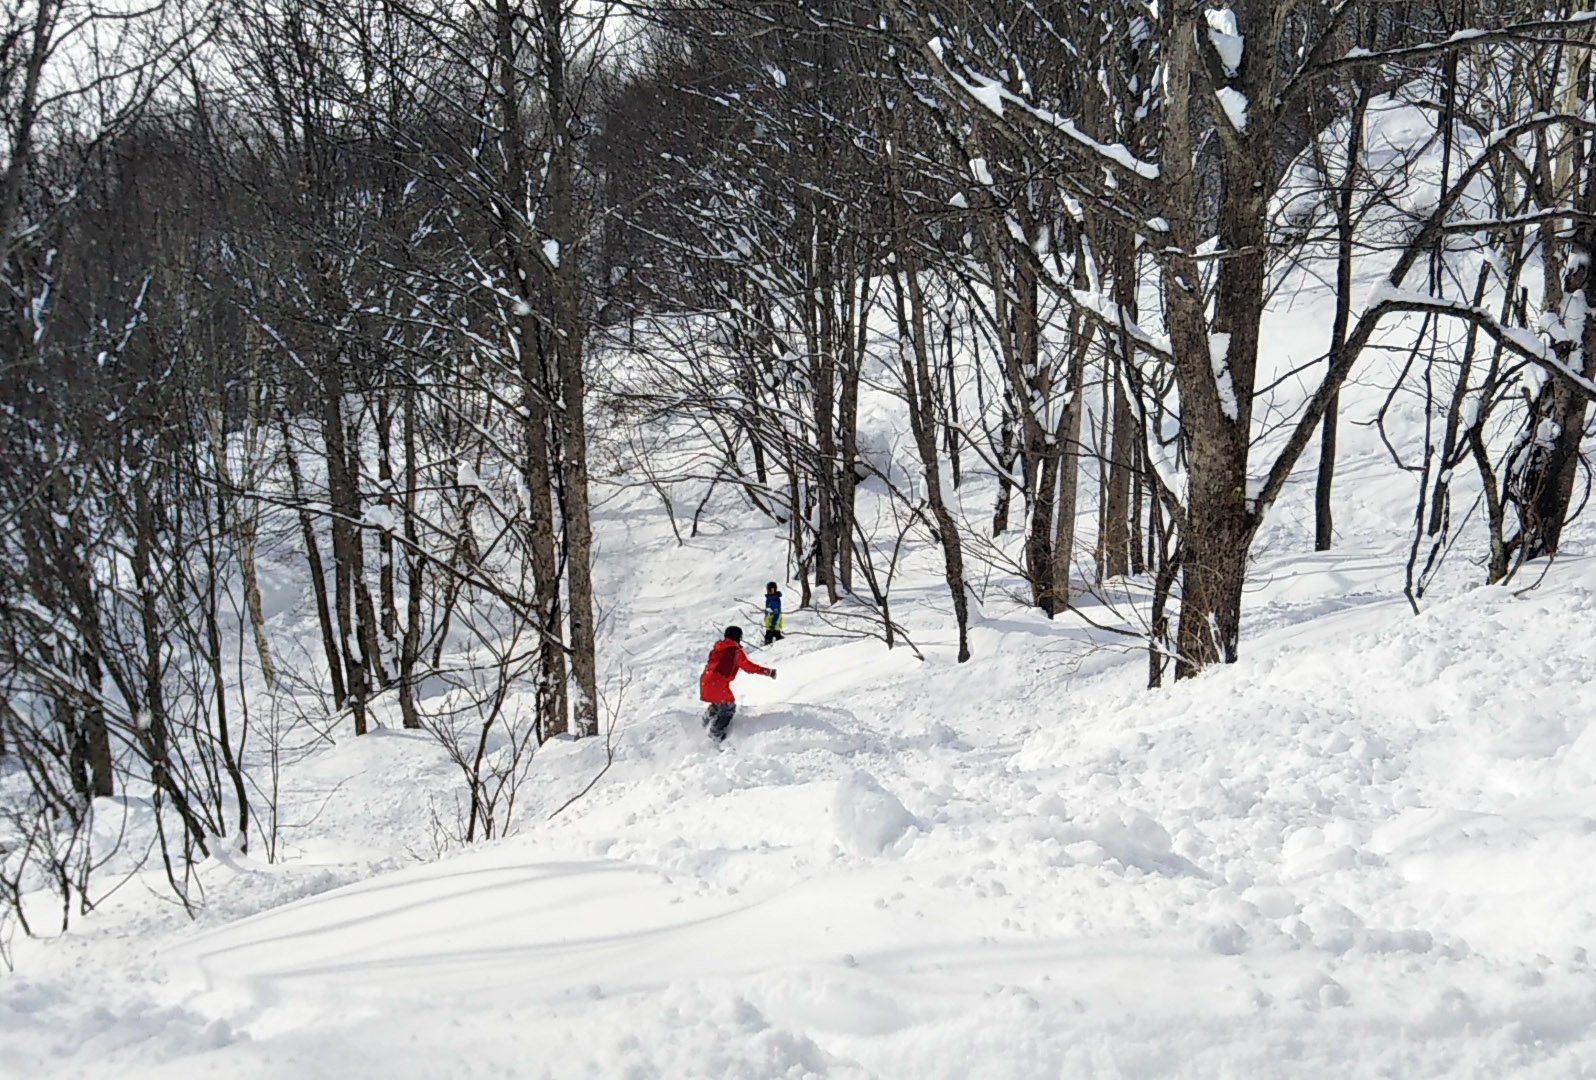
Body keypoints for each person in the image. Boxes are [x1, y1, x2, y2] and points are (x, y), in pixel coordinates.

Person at [699, 625, 775, 741]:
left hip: (706, 680)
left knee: (719, 704)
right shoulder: (735, 651)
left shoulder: (718, 648)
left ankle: (705, 722)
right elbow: (748, 667)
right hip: (718, 683)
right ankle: (715, 734)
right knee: (729, 706)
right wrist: (767, 672)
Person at [762, 581, 785, 645]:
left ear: (775, 589)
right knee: (771, 634)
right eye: (769, 589)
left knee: (771, 635)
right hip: (770, 622)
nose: (770, 591)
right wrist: (766, 616)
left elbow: (777, 613)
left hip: (773, 622)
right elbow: (768, 609)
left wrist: (773, 624)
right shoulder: (769, 598)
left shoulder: (774, 599)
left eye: (771, 589)